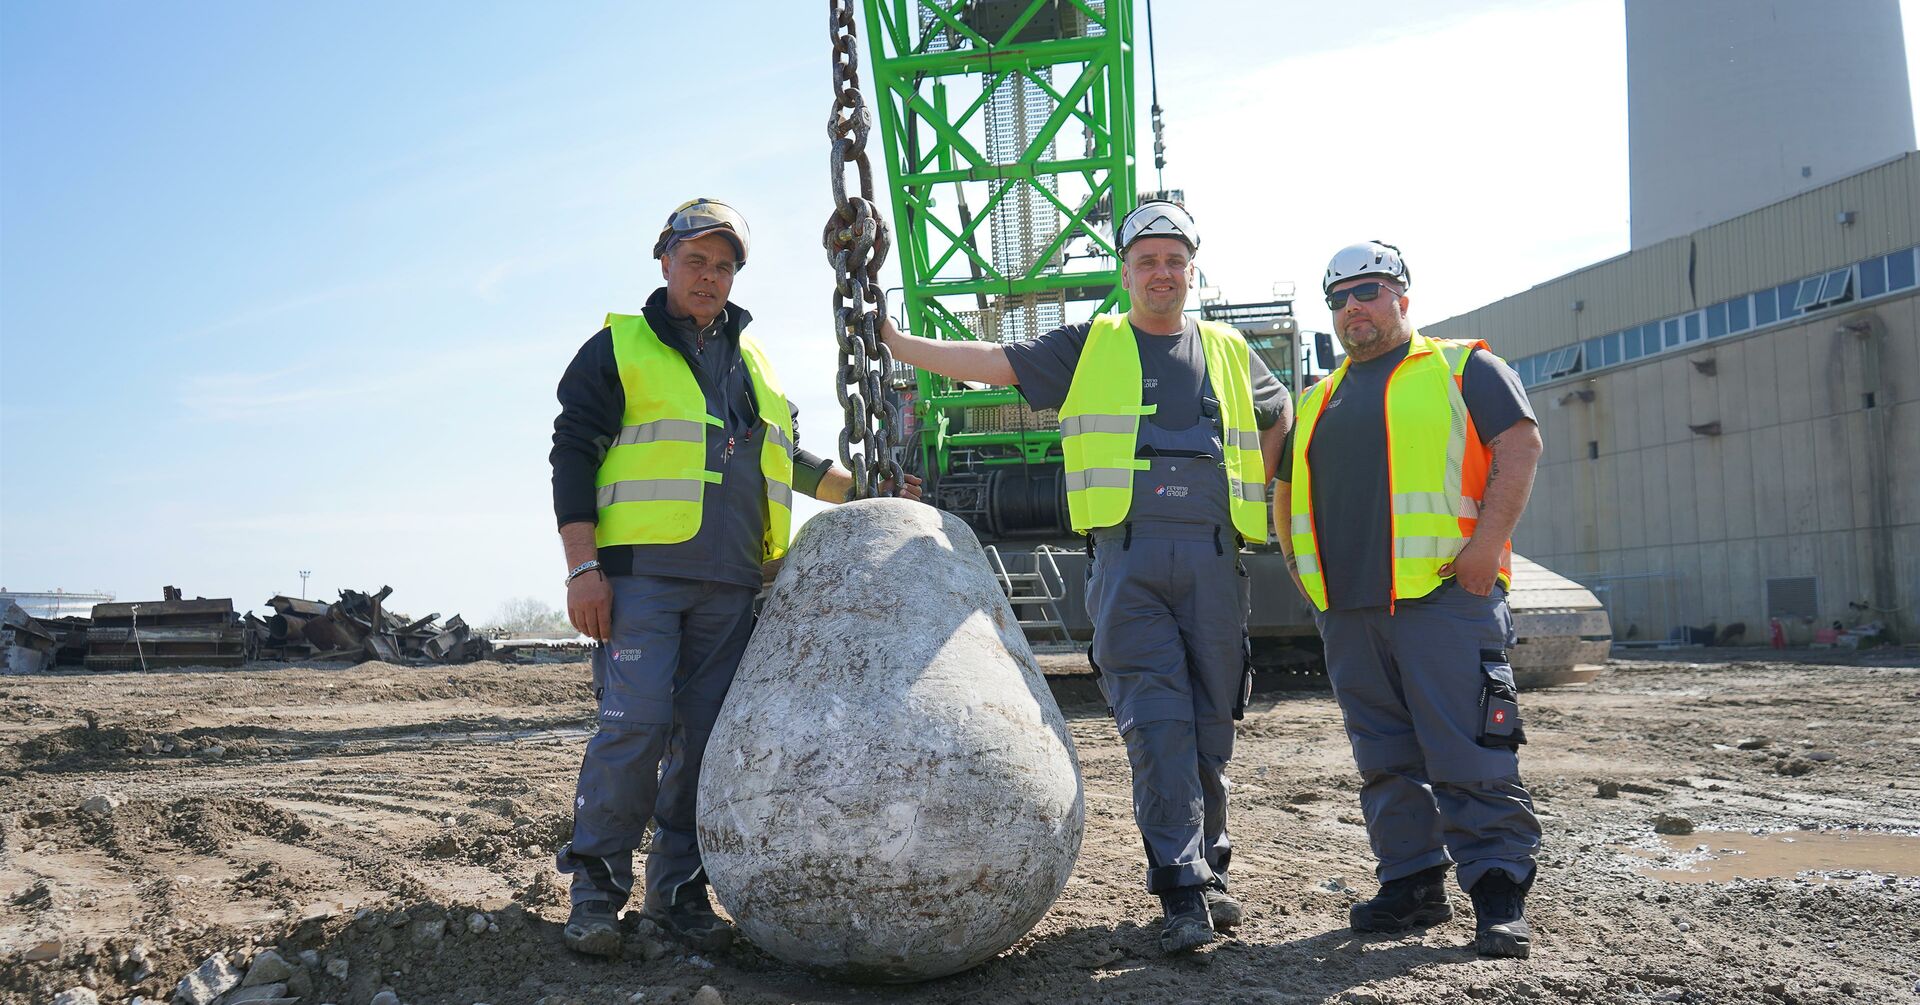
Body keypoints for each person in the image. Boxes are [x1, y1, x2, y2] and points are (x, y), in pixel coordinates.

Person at [880, 200, 1291, 954]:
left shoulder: (1230, 350)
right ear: (1125, 272)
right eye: (1147, 261)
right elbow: (992, 363)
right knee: (1157, 723)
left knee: (1210, 722)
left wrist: (1252, 493)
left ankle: (1210, 866)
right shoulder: (1089, 345)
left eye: (1174, 261)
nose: (1162, 273)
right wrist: (897, 342)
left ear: (1191, 270)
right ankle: (1181, 885)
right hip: (1130, 560)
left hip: (1213, 558)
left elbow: (1278, 413)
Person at [548, 198, 919, 957]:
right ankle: (595, 893)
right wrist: (582, 567)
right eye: (696, 261)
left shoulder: (756, 365)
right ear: (665, 261)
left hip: (732, 585)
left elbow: (791, 459)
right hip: (642, 578)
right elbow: (573, 453)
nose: (709, 277)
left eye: (723, 266)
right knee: (635, 730)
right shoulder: (616, 349)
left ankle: (677, 896)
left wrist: (867, 488)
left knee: (707, 744)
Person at [1276, 241, 1544, 958]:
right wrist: (1304, 575)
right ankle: (1412, 882)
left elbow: (1520, 447)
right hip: (1351, 611)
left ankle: (1498, 891)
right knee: (1385, 758)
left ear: (1401, 296)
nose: (1352, 308)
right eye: (1338, 299)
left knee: (1470, 750)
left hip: (1445, 598)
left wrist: (1487, 547)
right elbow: (1285, 492)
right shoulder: (1317, 399)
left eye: (1366, 291)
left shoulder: (1464, 368)